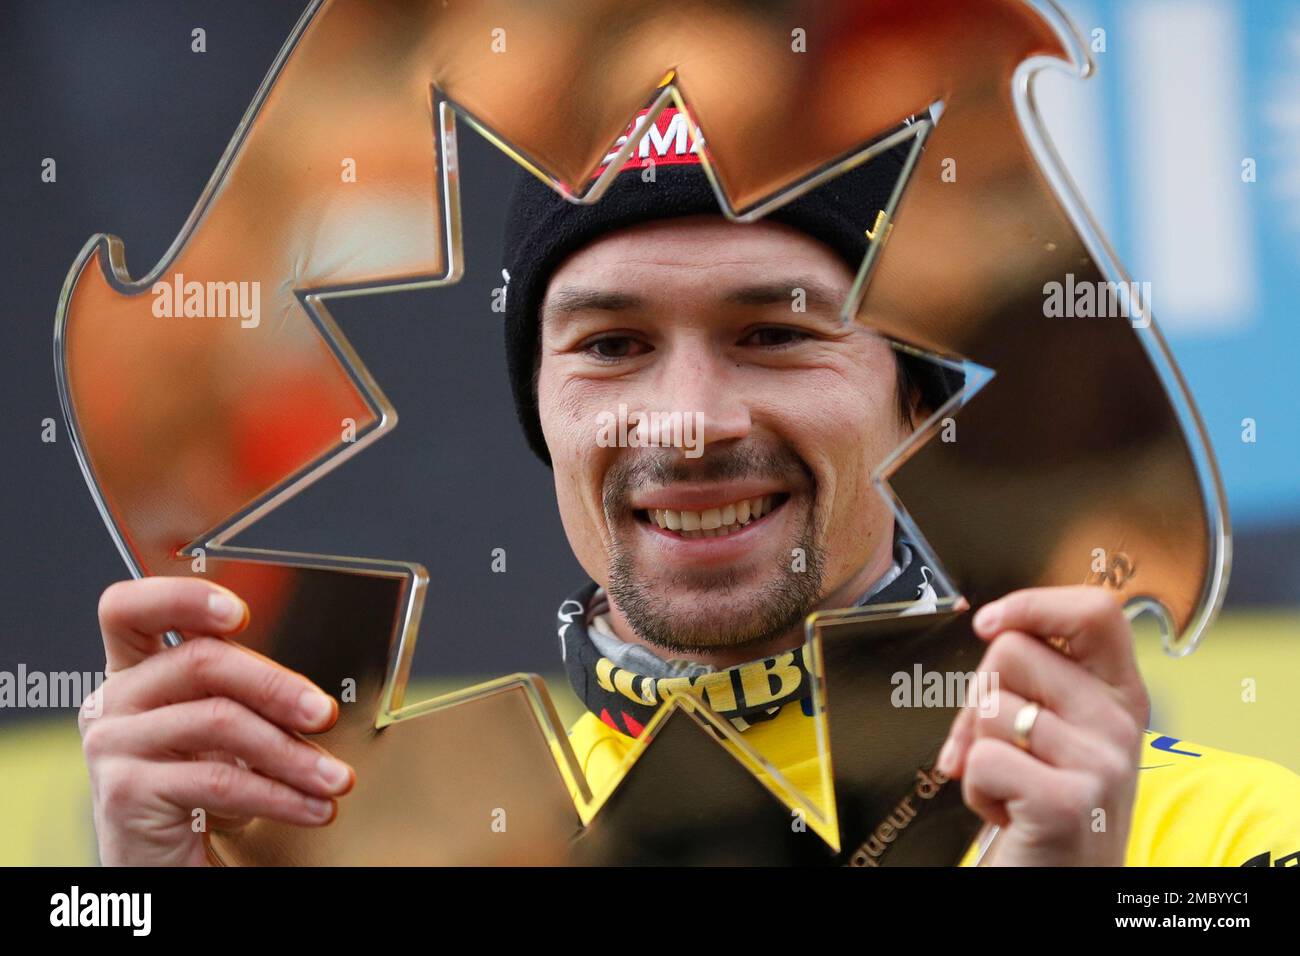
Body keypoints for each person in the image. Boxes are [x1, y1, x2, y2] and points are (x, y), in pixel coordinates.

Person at [81, 108, 1300, 867]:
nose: (691, 420)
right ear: (542, 418)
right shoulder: (403, 842)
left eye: (774, 333)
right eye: (610, 346)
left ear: (914, 406)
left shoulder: (1230, 841)